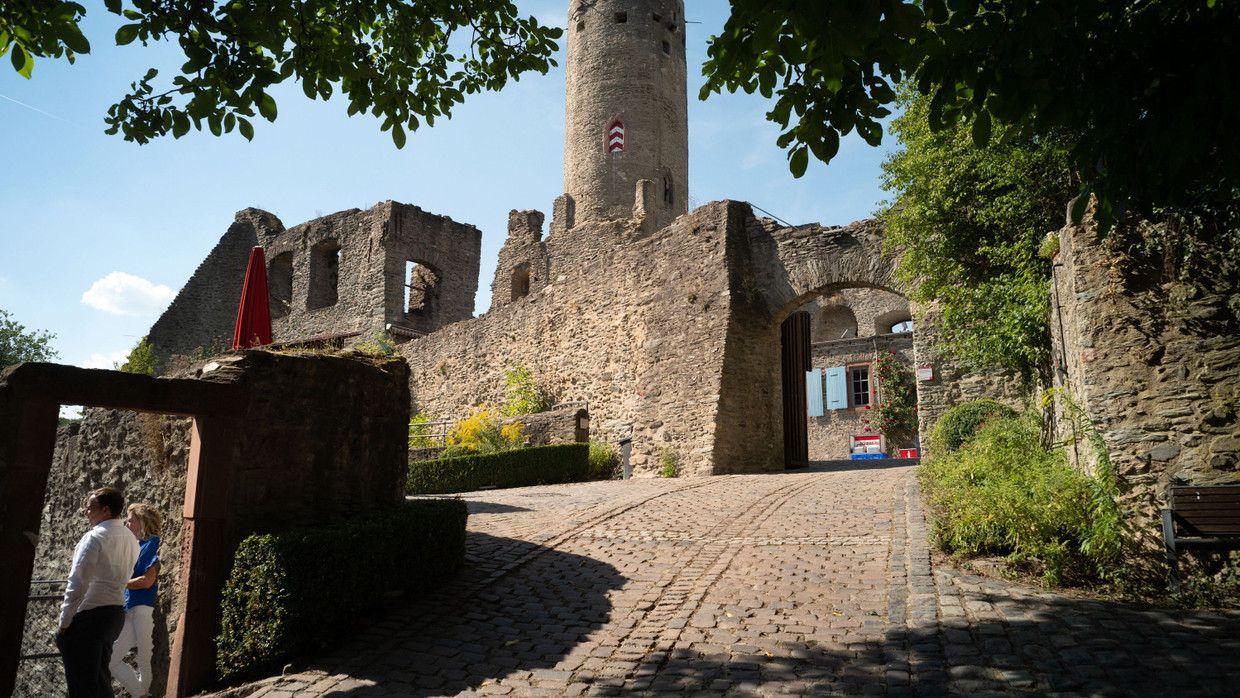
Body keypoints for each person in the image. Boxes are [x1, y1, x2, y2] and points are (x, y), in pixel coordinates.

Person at [57, 487, 140, 698]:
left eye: (89, 508)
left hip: (90, 617)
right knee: (99, 682)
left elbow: (77, 583)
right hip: (114, 615)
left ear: (105, 510)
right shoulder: (131, 538)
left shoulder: (94, 538)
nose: (85, 512)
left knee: (83, 685)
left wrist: (64, 622)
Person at [109, 504, 163, 698]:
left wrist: (118, 583)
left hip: (142, 608)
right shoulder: (138, 546)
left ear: (141, 522)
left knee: (143, 659)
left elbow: (147, 581)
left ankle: (141, 695)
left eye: (131, 520)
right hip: (131, 607)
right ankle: (142, 695)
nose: (127, 523)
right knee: (112, 660)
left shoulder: (152, 543)